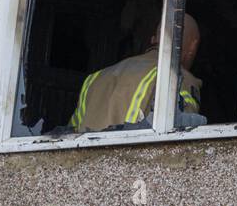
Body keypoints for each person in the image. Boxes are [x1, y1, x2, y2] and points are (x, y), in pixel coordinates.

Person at [71, 14, 202, 132]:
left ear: (153, 39)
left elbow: (71, 133)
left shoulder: (95, 78)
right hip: (130, 158)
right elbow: (183, 139)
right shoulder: (176, 77)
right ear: (192, 47)